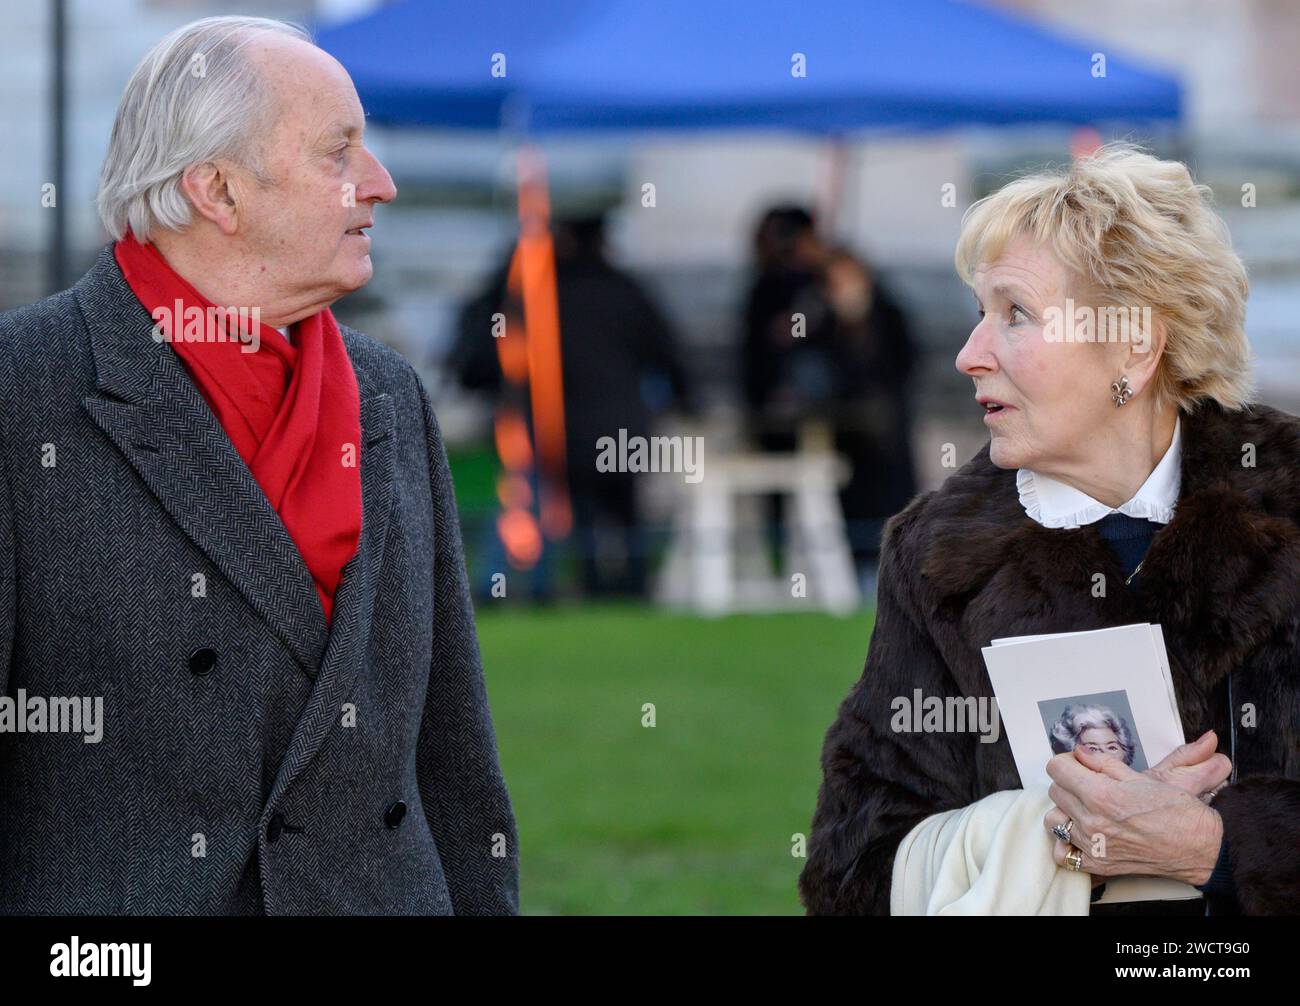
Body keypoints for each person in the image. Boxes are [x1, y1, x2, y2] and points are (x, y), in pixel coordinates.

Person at [0, 16, 518, 915]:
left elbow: (452, 749)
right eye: (340, 152)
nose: (381, 184)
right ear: (217, 191)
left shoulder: (390, 393)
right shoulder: (23, 387)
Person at [799, 143, 1300, 916]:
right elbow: (853, 865)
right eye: (979, 314)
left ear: (1134, 342)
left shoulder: (1289, 500)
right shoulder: (938, 553)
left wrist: (1217, 848)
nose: (970, 355)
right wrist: (1061, 841)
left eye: (1016, 315)